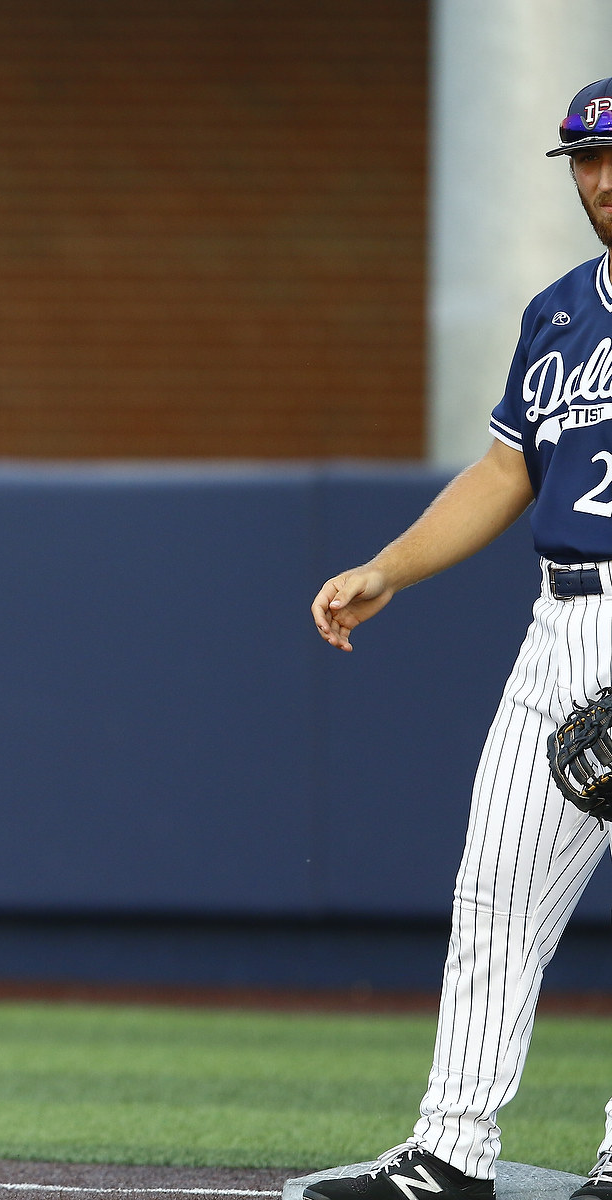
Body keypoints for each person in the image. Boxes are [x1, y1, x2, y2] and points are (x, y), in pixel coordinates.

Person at [306, 77, 612, 1200]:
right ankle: (450, 1152)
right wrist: (390, 564)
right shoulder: (561, 313)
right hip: (561, 619)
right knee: (494, 887)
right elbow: (504, 470)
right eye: (584, 160)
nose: (602, 179)